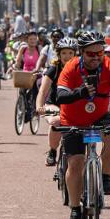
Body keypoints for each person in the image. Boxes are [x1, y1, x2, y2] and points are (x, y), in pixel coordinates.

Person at [55, 31, 110, 219]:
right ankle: (74, 209)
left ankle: (105, 176)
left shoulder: (109, 66)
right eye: (91, 54)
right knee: (75, 163)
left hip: (98, 116)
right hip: (72, 120)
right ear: (81, 53)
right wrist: (79, 92)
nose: (96, 57)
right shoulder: (71, 68)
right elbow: (60, 95)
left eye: (100, 53)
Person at [35, 37, 78, 166]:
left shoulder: (81, 69)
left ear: (75, 54)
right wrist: (39, 106)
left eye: (70, 53)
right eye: (64, 53)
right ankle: (52, 151)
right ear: (59, 54)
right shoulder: (53, 69)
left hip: (75, 106)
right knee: (56, 121)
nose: (67, 56)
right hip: (54, 105)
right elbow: (42, 91)